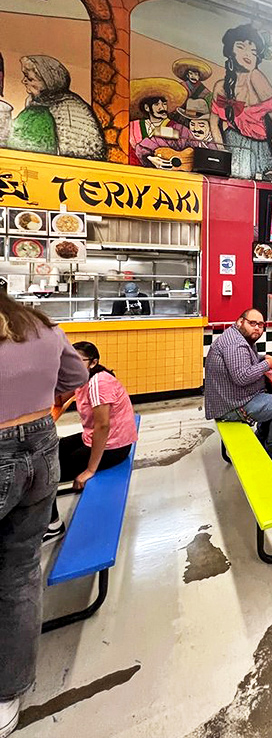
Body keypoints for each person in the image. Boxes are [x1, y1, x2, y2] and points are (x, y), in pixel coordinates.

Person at [0, 294, 88, 736]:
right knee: (19, 571)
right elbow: (76, 375)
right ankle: (8, 696)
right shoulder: (44, 329)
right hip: (41, 442)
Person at [46, 342, 138, 542]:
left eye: (79, 361)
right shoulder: (83, 378)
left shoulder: (99, 383)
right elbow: (59, 399)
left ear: (94, 362)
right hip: (95, 437)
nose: (73, 365)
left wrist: (90, 470)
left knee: (46, 473)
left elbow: (103, 427)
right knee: (50, 452)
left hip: (114, 446)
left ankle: (53, 525)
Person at [204, 308, 272, 464]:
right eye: (252, 323)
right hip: (232, 407)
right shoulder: (236, 344)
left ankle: (261, 439)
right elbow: (242, 377)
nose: (257, 328)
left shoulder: (236, 336)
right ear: (240, 322)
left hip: (228, 400)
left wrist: (260, 357)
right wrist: (267, 363)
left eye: (261, 325)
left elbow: (242, 360)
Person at [211, 23, 272, 181]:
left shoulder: (256, 77)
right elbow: (214, 123)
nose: (248, 54)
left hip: (258, 152)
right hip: (232, 146)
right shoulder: (220, 86)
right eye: (241, 47)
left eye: (253, 52)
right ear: (230, 51)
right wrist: (222, 151)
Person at [8, 54, 106, 160]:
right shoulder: (35, 105)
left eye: (30, 79)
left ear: (47, 82)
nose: (24, 81)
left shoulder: (69, 108)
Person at [128, 78, 193, 169]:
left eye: (164, 103)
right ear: (147, 108)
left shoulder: (179, 129)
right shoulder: (132, 127)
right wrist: (149, 158)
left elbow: (191, 151)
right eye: (156, 104)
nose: (162, 107)